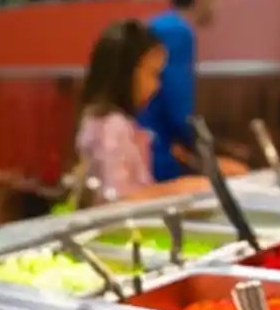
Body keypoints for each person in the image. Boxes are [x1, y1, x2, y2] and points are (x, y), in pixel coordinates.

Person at [73, 20, 209, 204]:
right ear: (126, 73)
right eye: (153, 74)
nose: (157, 86)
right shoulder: (112, 126)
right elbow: (116, 199)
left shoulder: (109, 121)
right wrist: (177, 189)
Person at [137, 0, 248, 183]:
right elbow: (179, 113)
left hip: (143, 147)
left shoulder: (159, 25)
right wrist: (212, 155)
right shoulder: (178, 32)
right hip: (157, 155)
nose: (219, 4)